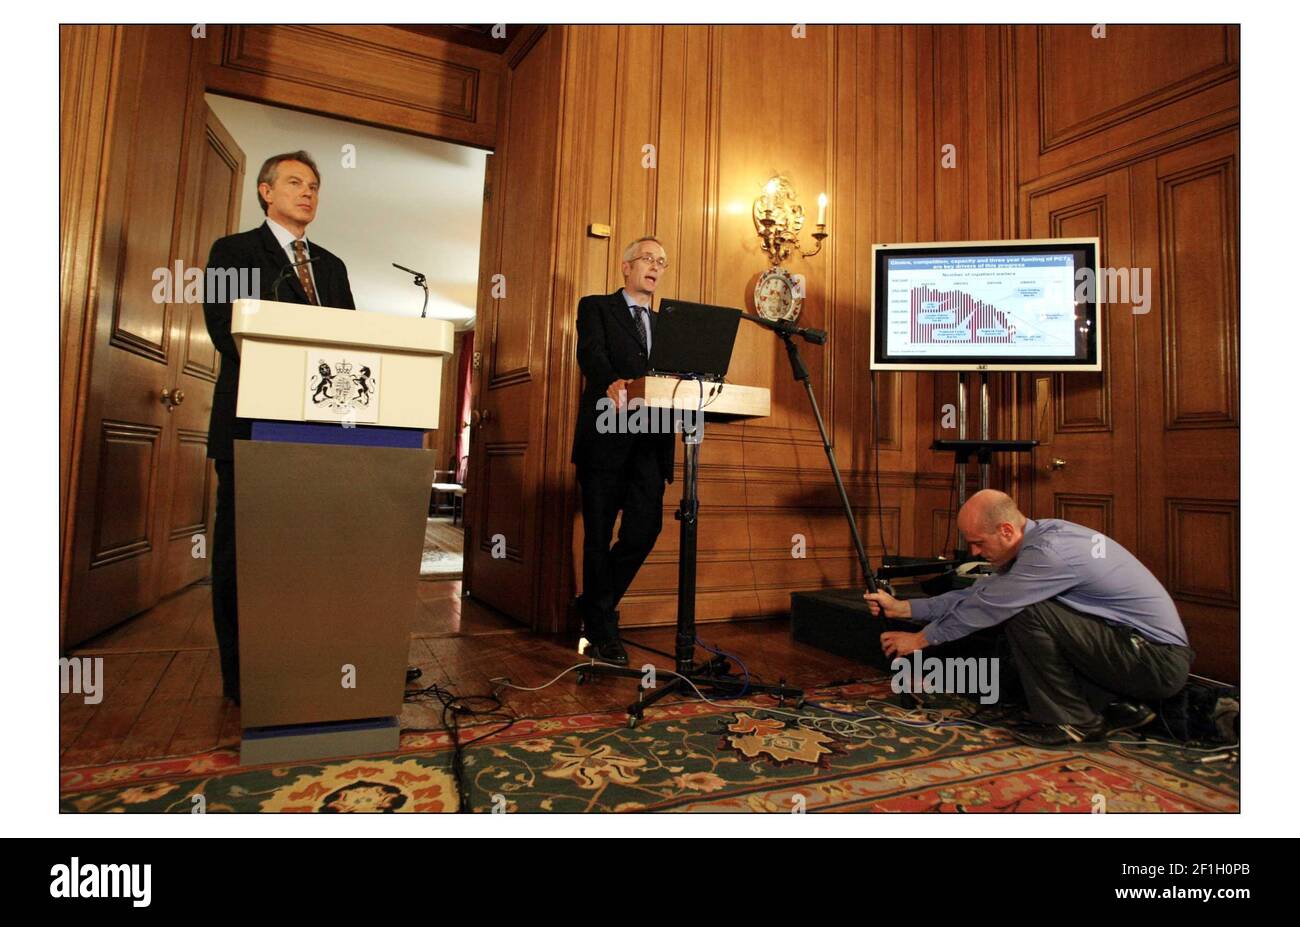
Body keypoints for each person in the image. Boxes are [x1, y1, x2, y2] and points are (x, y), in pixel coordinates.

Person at [203, 150, 356, 705]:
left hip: (320, 432)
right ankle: (244, 677)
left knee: (310, 551)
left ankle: (314, 657)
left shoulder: (333, 267)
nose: (308, 192)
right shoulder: (235, 251)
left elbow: (349, 348)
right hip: (251, 422)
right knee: (242, 553)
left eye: (314, 185)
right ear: (266, 191)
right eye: (295, 182)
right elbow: (226, 331)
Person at [865, 489, 1194, 746]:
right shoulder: (1037, 540)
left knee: (1026, 611)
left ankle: (1075, 723)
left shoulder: (1048, 554)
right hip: (1131, 650)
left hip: (1155, 660)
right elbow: (981, 594)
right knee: (1016, 604)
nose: (975, 553)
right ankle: (1113, 707)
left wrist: (920, 640)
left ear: (1006, 531)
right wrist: (905, 608)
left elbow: (989, 607)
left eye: (978, 543)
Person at [570, 236, 676, 665]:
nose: (655, 266)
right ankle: (601, 628)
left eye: (662, 262)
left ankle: (592, 607)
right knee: (598, 536)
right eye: (648, 258)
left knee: (643, 531)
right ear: (626, 266)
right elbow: (591, 353)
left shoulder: (666, 324)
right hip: (606, 437)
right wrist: (612, 380)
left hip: (652, 441)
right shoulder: (595, 306)